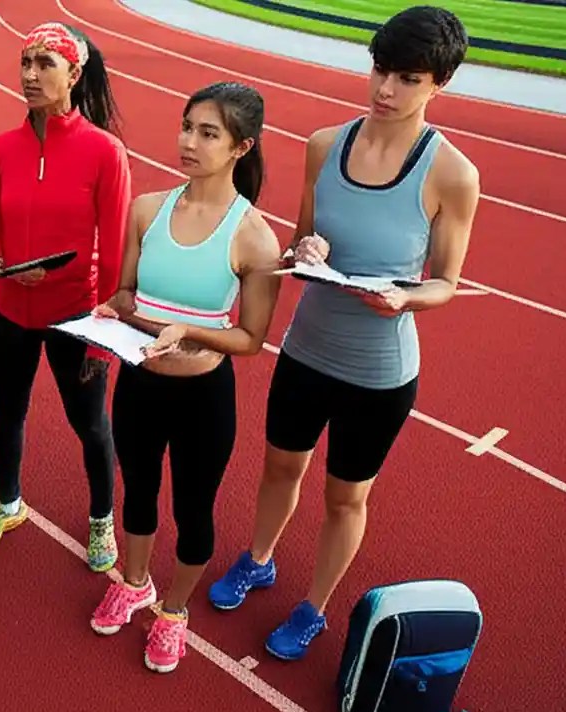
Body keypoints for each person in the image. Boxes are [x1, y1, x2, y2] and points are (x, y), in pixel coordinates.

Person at [207, 5, 480, 662]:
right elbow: (304, 236)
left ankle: (315, 606)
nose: (386, 89)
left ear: (437, 84)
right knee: (279, 465)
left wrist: (405, 297)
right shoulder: (325, 144)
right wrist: (306, 251)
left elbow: (446, 282)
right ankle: (260, 559)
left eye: (407, 78)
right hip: (307, 349)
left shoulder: (452, 174)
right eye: (381, 70)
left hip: (379, 370)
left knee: (343, 496)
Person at [85, 82, 281, 673]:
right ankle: (137, 582)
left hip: (203, 396)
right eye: (186, 126)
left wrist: (188, 334)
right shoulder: (147, 209)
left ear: (240, 147)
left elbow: (250, 339)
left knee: (194, 510)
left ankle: (174, 612)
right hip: (140, 385)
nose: (189, 142)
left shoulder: (254, 237)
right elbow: (123, 292)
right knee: (139, 494)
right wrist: (113, 314)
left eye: (208, 133)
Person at [0, 22, 130, 572]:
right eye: (25, 62)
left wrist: (102, 338)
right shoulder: (2, 147)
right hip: (12, 311)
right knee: (7, 413)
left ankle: (102, 519)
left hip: (76, 316)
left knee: (91, 425)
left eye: (44, 64)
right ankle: (9, 503)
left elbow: (117, 243)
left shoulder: (105, 152)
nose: (29, 75)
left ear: (74, 74)